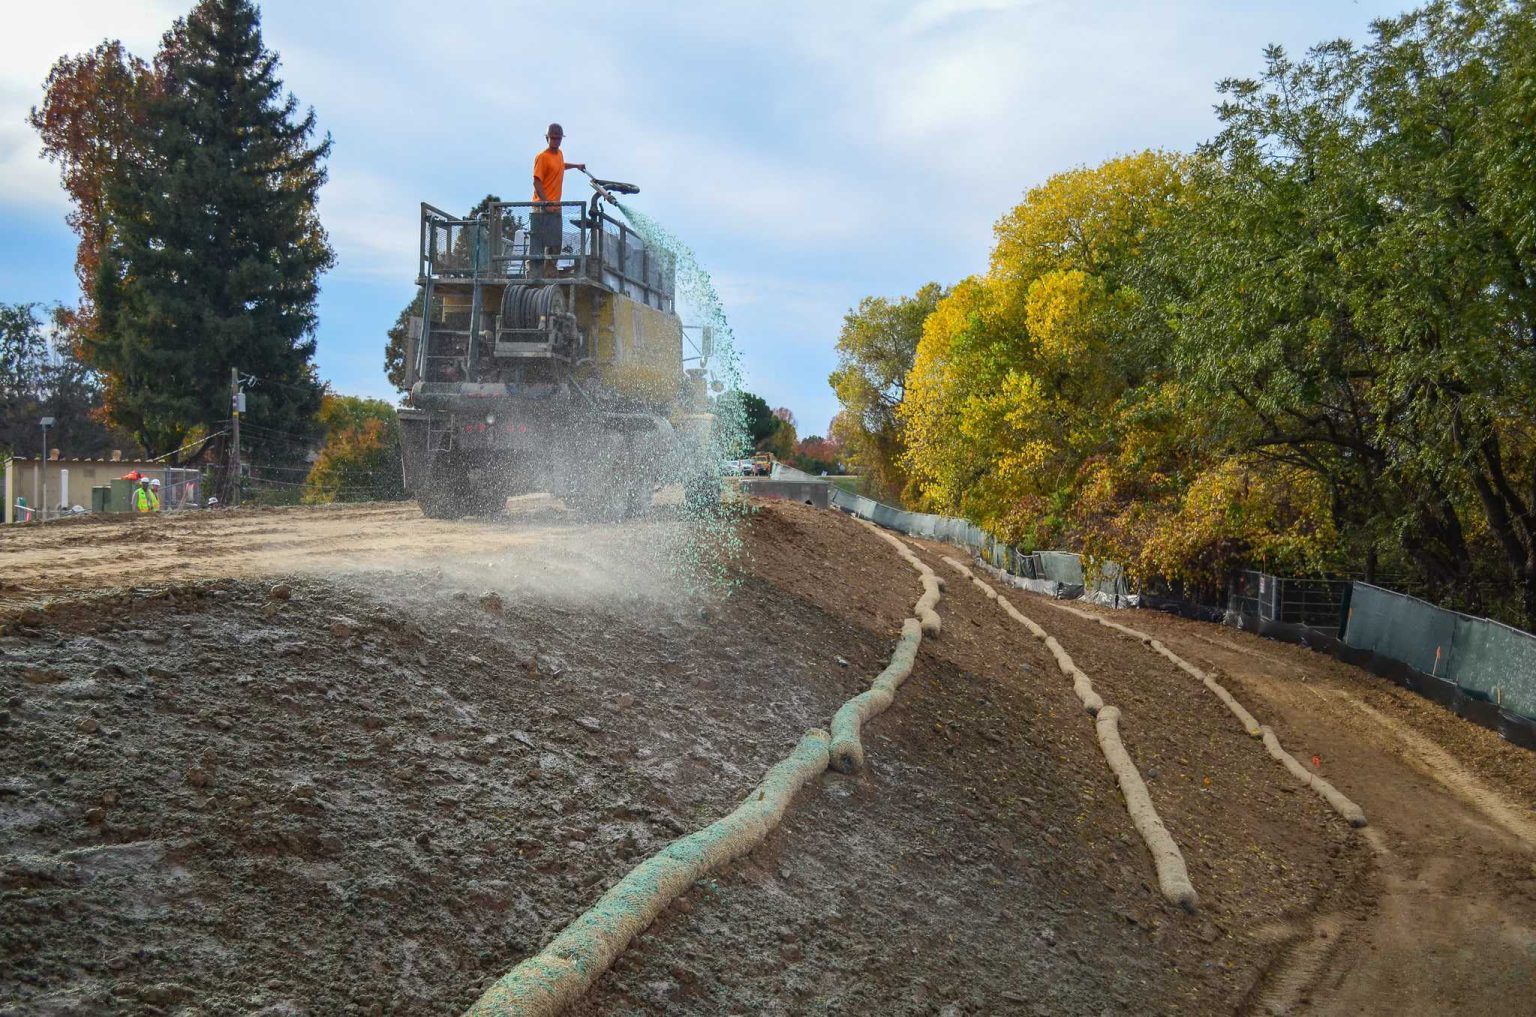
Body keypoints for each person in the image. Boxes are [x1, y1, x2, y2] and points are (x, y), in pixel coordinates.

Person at [530, 123, 585, 275]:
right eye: (553, 138)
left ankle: (549, 272)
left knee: (555, 243)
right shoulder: (542, 157)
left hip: (556, 207)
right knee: (538, 242)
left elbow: (560, 165)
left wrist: (576, 166)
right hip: (541, 207)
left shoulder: (559, 154)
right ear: (547, 138)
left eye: (558, 139)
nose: (555, 141)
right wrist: (545, 202)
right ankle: (534, 273)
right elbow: (536, 181)